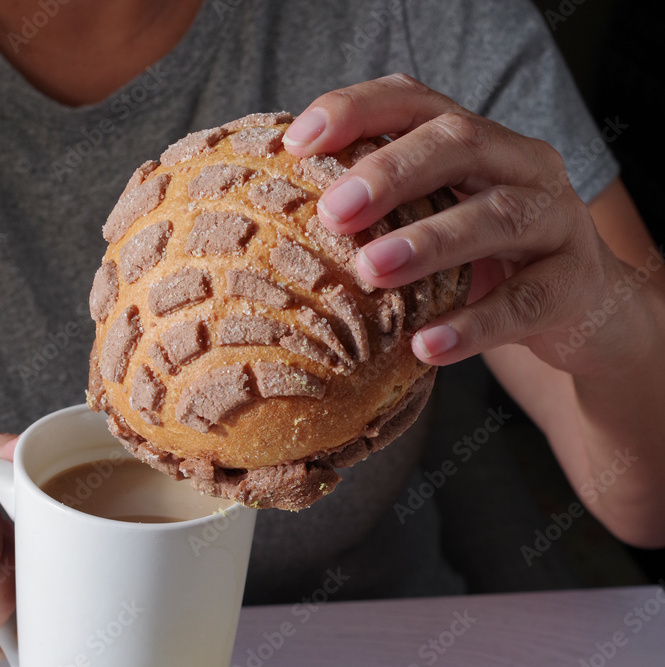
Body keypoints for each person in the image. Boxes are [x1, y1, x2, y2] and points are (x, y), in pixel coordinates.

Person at [1, 0, 664, 634]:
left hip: (383, 660)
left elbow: (650, 509)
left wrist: (616, 332)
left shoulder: (424, 18)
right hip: (54, 666)